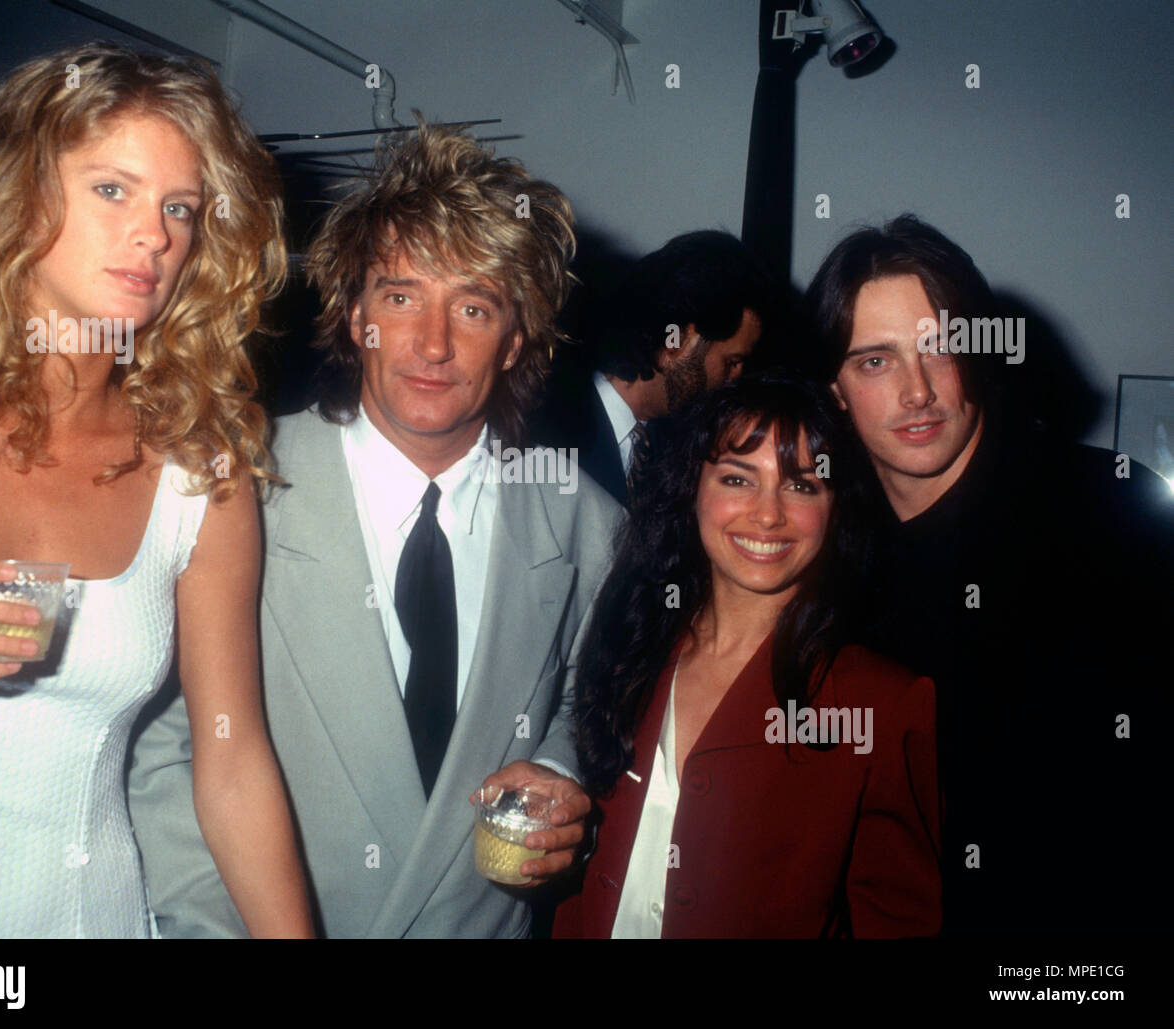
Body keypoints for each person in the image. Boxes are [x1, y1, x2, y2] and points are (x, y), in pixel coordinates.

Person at [129, 121, 623, 938]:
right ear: (353, 311)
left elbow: (591, 697)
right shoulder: (231, 482)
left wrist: (562, 768)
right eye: (400, 297)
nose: (432, 343)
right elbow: (166, 746)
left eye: (473, 306)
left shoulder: (587, 520)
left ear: (516, 340)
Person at [0, 43, 311, 938]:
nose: (154, 233)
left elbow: (231, 762)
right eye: (113, 189)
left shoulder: (204, 469)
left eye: (178, 209)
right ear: (18, 192)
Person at [801, 214, 1172, 934]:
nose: (916, 391)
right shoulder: (820, 550)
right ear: (837, 391)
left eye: (939, 348)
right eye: (875, 361)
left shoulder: (1111, 508)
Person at [554, 372, 941, 938]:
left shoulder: (880, 704)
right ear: (692, 490)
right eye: (738, 478)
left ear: (837, 508)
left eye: (802, 485)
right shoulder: (628, 644)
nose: (767, 514)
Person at [529, 230, 771, 505]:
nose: (735, 381)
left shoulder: (677, 452)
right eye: (732, 362)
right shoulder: (542, 430)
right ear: (676, 342)